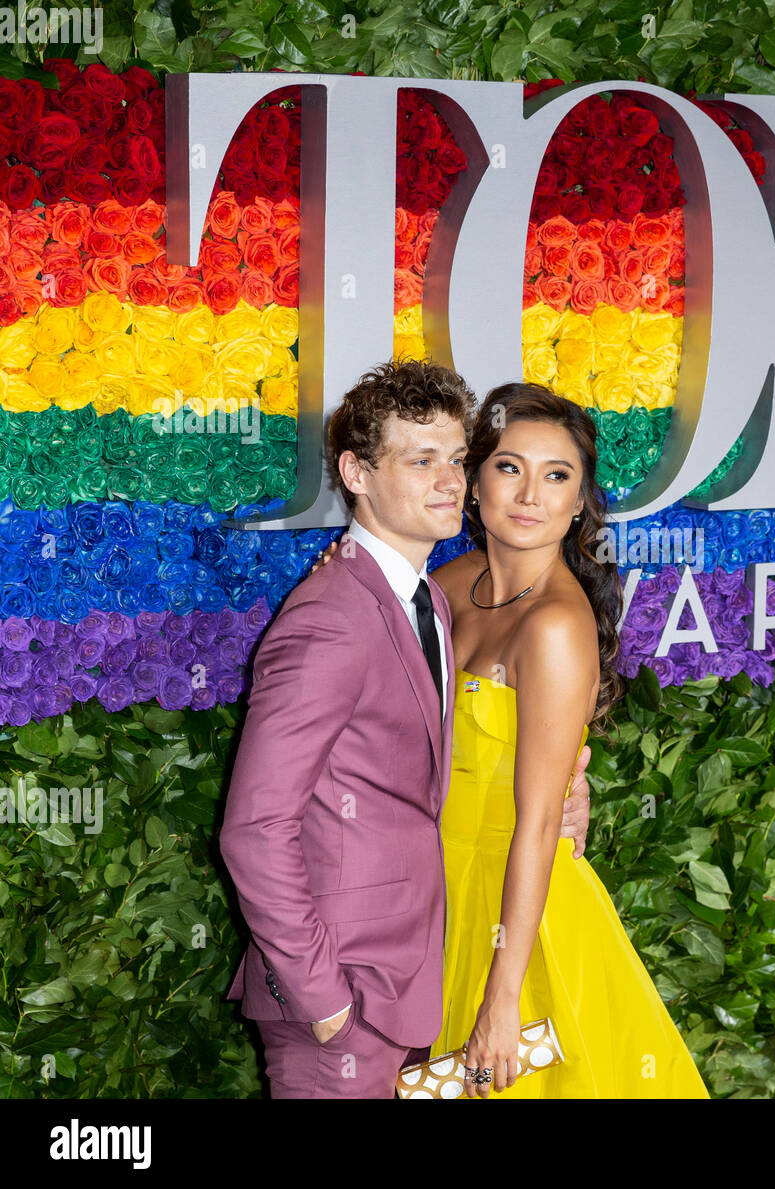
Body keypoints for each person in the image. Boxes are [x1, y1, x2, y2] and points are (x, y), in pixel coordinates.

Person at [316, 381, 710, 1097]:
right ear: (473, 482)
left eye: (557, 475)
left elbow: (535, 825)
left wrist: (503, 998)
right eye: (509, 467)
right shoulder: (444, 584)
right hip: (428, 894)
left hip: (514, 915)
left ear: (578, 500)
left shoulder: (557, 627)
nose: (531, 494)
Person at [219, 359, 593, 1098]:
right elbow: (254, 828)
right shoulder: (334, 618)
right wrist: (325, 1000)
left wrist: (570, 790)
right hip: (345, 992)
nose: (449, 481)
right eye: (422, 461)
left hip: (414, 967)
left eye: (456, 459)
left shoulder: (427, 596)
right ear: (356, 474)